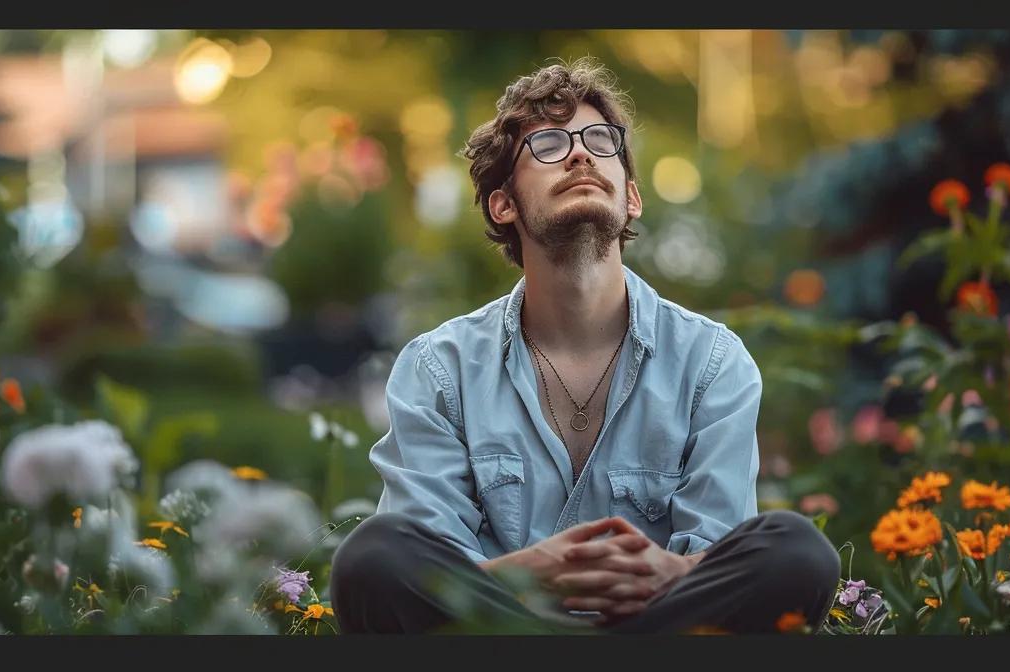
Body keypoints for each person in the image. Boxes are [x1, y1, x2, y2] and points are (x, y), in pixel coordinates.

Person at [329, 57, 839, 634]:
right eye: (547, 144)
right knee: (375, 554)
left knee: (797, 550)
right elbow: (429, 565)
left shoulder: (712, 362)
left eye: (600, 140)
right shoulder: (436, 368)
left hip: (658, 629)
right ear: (504, 204)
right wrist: (528, 574)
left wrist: (670, 571)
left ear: (632, 197)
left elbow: (716, 558)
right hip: (502, 634)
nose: (580, 153)